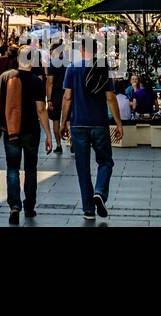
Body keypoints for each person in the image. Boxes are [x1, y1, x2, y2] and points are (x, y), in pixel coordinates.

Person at [0, 44, 51, 224]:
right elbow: (41, 109)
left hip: (10, 131)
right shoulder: (36, 81)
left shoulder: (6, 78)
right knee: (31, 169)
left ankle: (14, 206)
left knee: (12, 168)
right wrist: (48, 134)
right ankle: (29, 206)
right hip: (31, 131)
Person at [59, 42, 124, 221]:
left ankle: (88, 209)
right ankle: (100, 192)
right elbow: (110, 97)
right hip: (99, 124)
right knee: (105, 162)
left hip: (78, 124)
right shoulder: (103, 68)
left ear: (80, 50)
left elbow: (67, 97)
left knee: (82, 167)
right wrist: (118, 123)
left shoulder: (72, 69)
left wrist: (63, 122)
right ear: (96, 50)